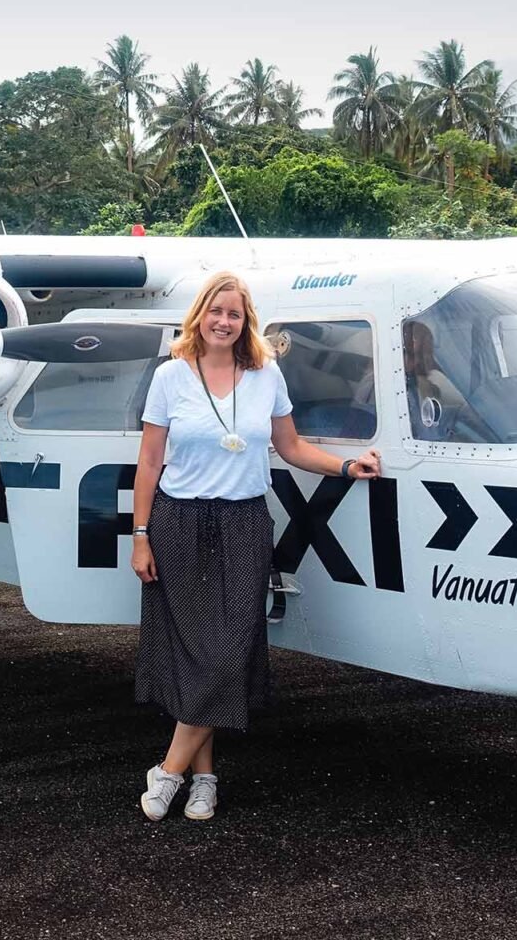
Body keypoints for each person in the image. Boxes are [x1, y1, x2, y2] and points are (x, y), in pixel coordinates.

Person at [131, 271, 381, 822]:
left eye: (235, 314)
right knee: (194, 650)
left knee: (228, 651)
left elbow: (290, 447)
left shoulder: (266, 375)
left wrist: (344, 465)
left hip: (243, 522)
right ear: (200, 315)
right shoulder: (172, 377)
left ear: (248, 322)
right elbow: (150, 462)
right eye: (216, 311)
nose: (224, 321)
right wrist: (141, 535)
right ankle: (205, 780)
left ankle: (168, 771)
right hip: (178, 521)